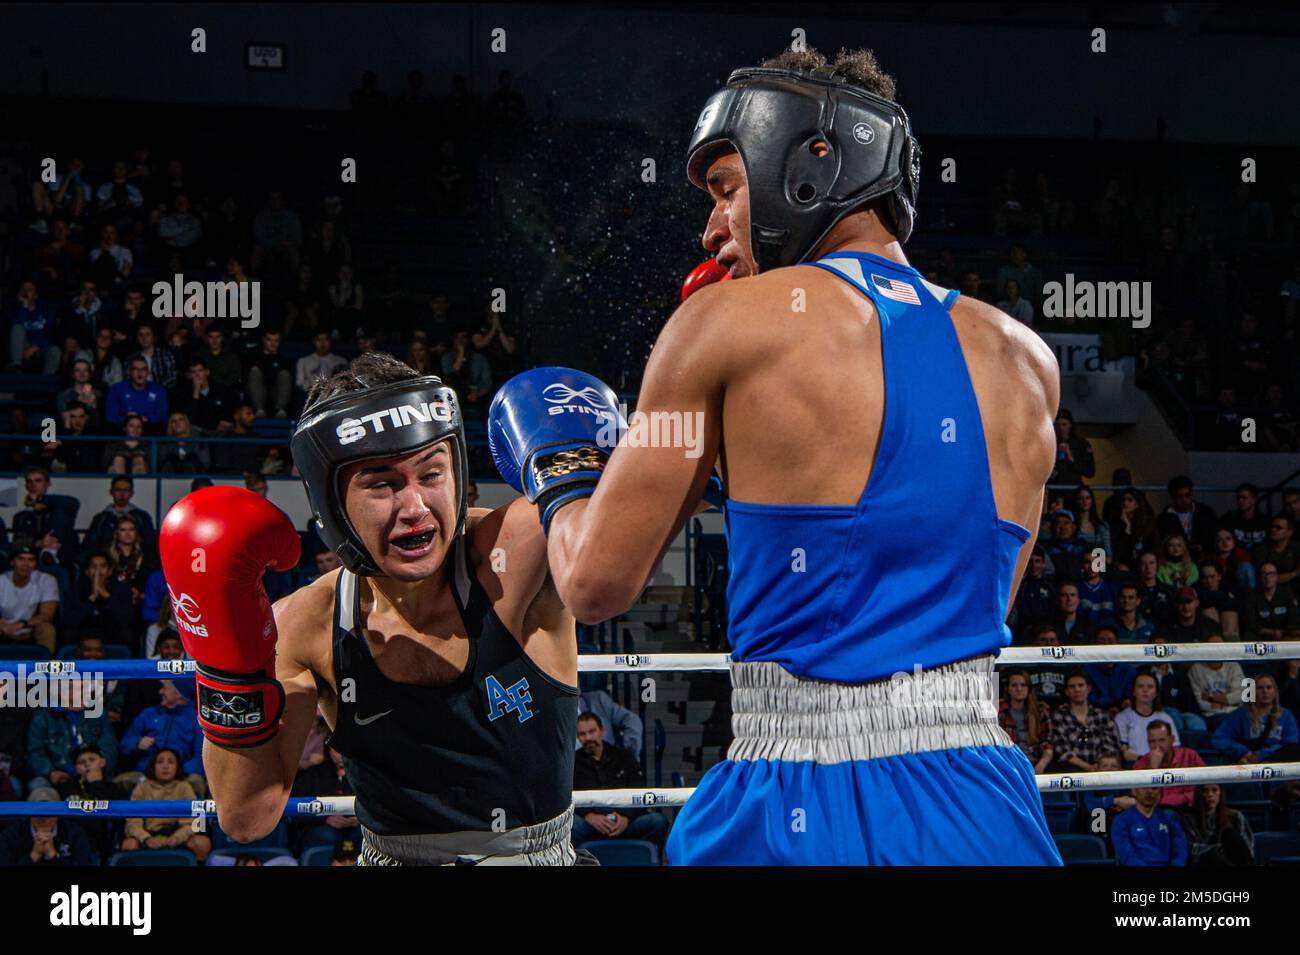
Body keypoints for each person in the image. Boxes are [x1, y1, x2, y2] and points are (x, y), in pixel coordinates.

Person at [490, 48, 1060, 864]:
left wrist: (561, 469)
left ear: (809, 164)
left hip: (798, 792)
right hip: (983, 797)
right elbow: (959, 597)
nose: (711, 226)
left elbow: (592, 582)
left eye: (725, 188)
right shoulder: (1027, 363)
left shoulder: (724, 323)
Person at [160, 352, 580, 865]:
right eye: (381, 484)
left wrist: (578, 473)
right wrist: (223, 664)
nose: (415, 508)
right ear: (332, 504)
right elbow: (247, 817)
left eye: (431, 473)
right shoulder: (305, 624)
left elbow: (632, 544)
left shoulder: (514, 548)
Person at [572, 712, 667, 847]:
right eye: (582, 734)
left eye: (592, 731)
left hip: (625, 823)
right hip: (590, 825)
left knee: (658, 821)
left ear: (602, 731)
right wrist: (587, 816)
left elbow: (639, 790)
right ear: (577, 737)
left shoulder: (624, 756)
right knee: (572, 825)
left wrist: (626, 818)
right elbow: (563, 799)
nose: (588, 738)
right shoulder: (571, 762)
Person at [119, 748, 212, 862]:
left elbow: (194, 822)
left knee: (202, 843)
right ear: (153, 766)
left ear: (177, 767)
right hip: (148, 834)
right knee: (129, 844)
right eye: (160, 762)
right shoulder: (142, 787)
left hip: (177, 834)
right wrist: (146, 838)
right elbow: (133, 823)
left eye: (171, 762)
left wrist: (177, 838)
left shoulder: (184, 787)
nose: (165, 766)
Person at [1212, 673, 1300, 764]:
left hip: (1276, 761)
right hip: (1248, 762)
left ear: (1275, 692)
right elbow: (1219, 738)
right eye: (1260, 688)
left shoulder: (1286, 716)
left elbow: (1291, 744)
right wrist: (1244, 752)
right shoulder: (1241, 715)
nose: (1265, 691)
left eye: (1269, 687)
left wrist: (1262, 755)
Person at [1049, 671, 1122, 772]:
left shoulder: (1103, 715)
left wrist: (1099, 765)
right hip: (1071, 769)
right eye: (1072, 686)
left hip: (1102, 768)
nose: (1077, 689)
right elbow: (1062, 751)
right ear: (1066, 691)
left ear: (1088, 689)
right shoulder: (1059, 716)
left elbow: (1111, 746)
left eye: (1081, 685)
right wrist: (1088, 767)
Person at [0, 543, 59, 654]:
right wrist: (4, 627)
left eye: (31, 560)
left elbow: (47, 615)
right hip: (4, 627)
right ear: (12, 562)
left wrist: (21, 624)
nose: (25, 564)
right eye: (21, 559)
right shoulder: (1, 581)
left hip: (30, 626)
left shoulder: (46, 580)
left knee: (47, 630)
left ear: (36, 563)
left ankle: (43, 669)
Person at [1131, 720, 1203, 808]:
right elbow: (1145, 800)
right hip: (1159, 810)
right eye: (1152, 741)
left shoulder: (1190, 755)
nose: (1157, 746)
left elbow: (1207, 784)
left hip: (1190, 808)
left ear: (1172, 740)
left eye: (1162, 740)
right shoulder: (1140, 765)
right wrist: (1153, 769)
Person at [1112, 787, 1188, 866]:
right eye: (1144, 788)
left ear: (1160, 791)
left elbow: (1180, 850)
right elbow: (1126, 855)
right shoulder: (1121, 820)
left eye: (1154, 788)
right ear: (1134, 791)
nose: (1149, 792)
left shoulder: (1170, 817)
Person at [1182, 783, 1254, 866]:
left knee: (1229, 834)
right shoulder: (1189, 819)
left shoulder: (1236, 816)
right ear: (1199, 794)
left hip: (1232, 860)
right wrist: (1218, 849)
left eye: (1214, 790)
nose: (1210, 794)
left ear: (1221, 793)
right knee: (1212, 855)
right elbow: (1192, 849)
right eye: (1205, 791)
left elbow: (1247, 846)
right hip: (1206, 862)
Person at [997, 669, 1053, 773]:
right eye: (1014, 685)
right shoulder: (998, 711)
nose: (1019, 689)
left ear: (1029, 689)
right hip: (1008, 763)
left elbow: (1048, 745)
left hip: (1034, 762)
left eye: (1023, 685)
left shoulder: (1041, 712)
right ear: (1008, 689)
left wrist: (1041, 765)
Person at [1115, 673, 1179, 761]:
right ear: (1133, 691)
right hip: (1133, 766)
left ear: (1156, 692)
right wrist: (1144, 760)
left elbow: (1175, 748)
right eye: (1140, 686)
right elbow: (1125, 753)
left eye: (1150, 687)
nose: (1145, 690)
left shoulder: (1166, 718)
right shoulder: (1121, 718)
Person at [1187, 635, 1246, 729]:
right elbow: (1198, 701)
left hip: (1235, 712)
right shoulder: (1196, 669)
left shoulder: (1233, 666)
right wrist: (1226, 700)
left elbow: (1241, 696)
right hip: (1210, 715)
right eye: (1212, 646)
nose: (1216, 650)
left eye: (1219, 646)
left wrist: (1210, 698)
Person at [0, 812, 93, 866]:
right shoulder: (11, 834)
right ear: (29, 814)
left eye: (49, 813)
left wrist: (53, 856)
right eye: (39, 814)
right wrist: (34, 855)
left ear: (58, 815)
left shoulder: (75, 833)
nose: (44, 818)